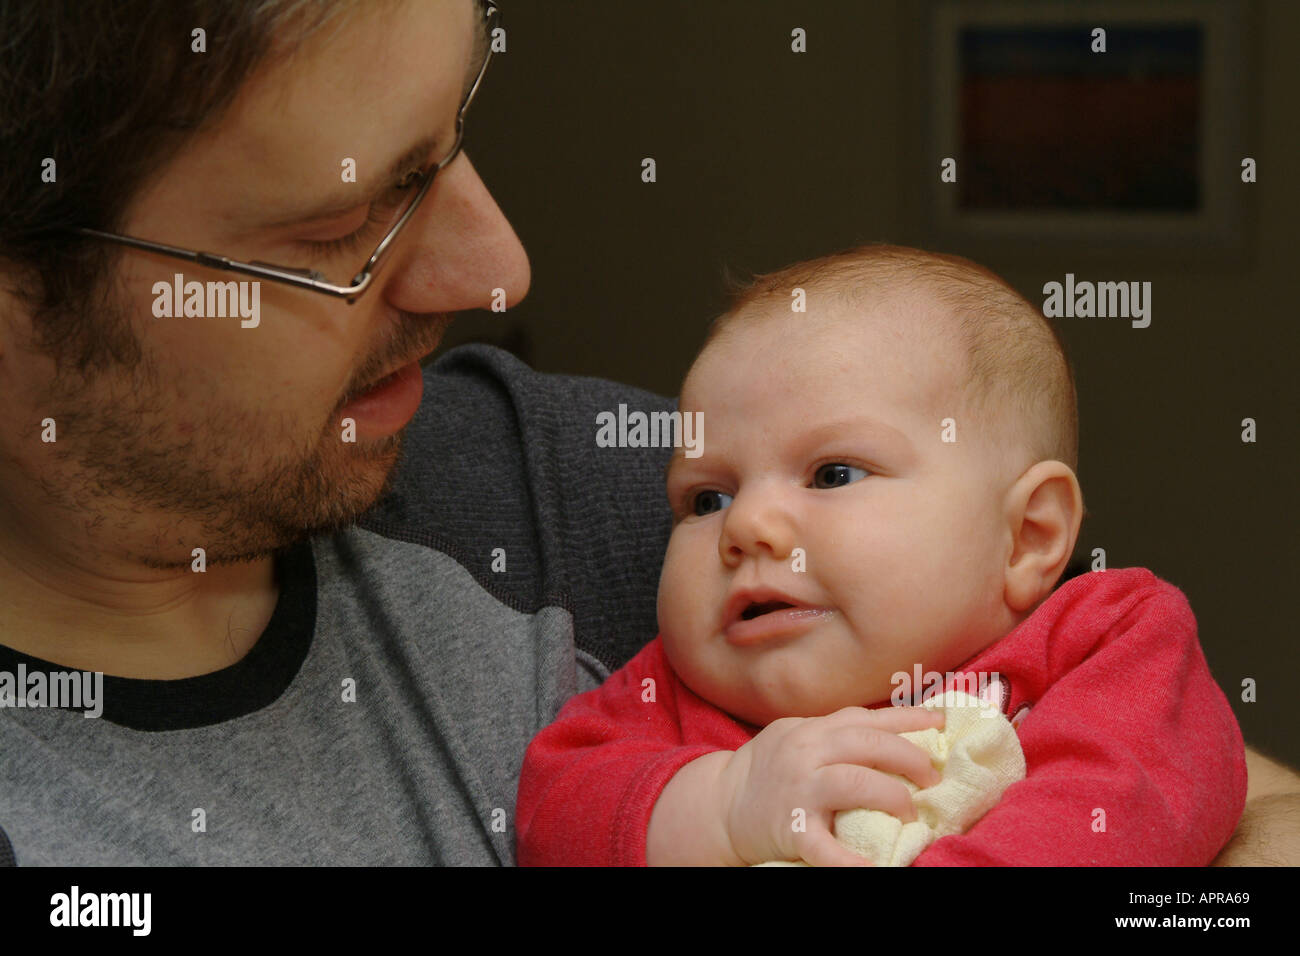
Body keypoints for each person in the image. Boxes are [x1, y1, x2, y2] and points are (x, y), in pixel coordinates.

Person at [0, 0, 1293, 866]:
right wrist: (724, 805)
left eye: (448, 149)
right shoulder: (686, 666)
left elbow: (1210, 785)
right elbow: (572, 800)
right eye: (339, 229)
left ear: (1031, 535)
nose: (499, 274)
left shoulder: (563, 482)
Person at [515, 245, 1246, 866]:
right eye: (707, 499)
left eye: (833, 474)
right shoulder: (671, 697)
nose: (746, 525)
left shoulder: (1102, 641)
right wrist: (723, 804)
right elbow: (552, 811)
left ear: (1028, 536)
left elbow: (1122, 797)